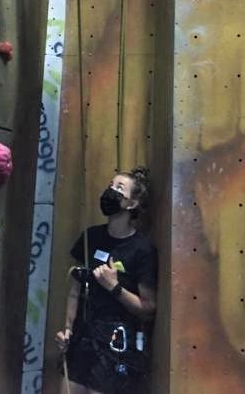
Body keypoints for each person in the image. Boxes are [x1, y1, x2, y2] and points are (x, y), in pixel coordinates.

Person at [55, 167, 157, 394]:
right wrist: (68, 329)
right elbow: (75, 289)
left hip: (115, 344)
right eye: (111, 185)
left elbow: (148, 309)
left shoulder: (142, 250)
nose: (111, 190)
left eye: (119, 188)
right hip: (83, 338)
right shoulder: (91, 237)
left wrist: (114, 287)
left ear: (132, 204)